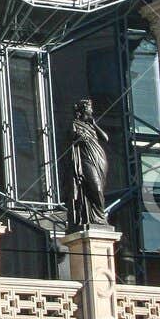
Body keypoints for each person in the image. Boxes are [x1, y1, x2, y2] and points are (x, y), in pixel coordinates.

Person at [66, 98, 109, 232]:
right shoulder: (75, 124)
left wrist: (94, 125)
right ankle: (99, 217)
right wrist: (78, 137)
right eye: (90, 107)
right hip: (86, 159)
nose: (92, 110)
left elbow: (105, 138)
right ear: (83, 110)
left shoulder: (91, 126)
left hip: (99, 159)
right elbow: (71, 138)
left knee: (99, 188)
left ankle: (99, 218)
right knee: (96, 189)